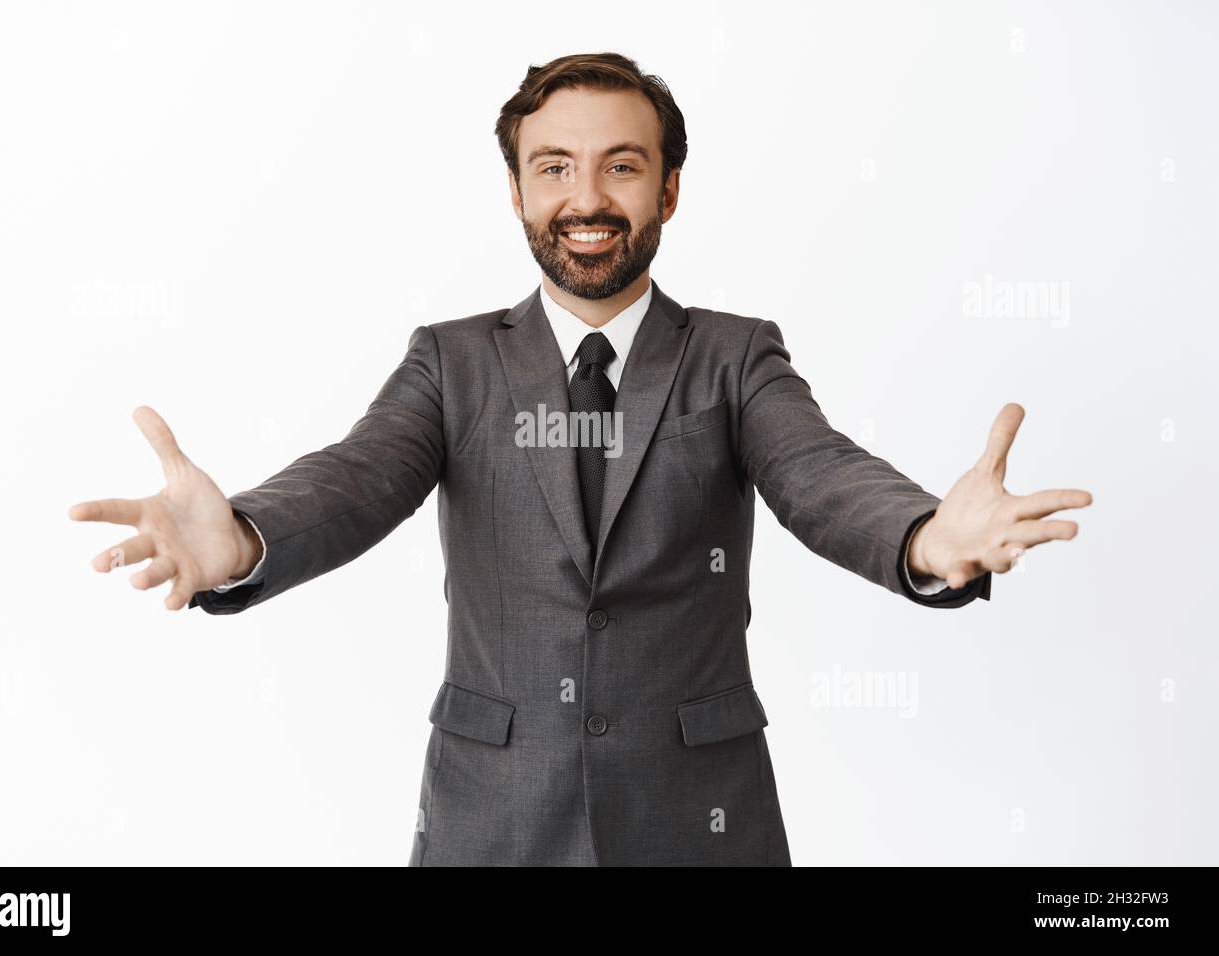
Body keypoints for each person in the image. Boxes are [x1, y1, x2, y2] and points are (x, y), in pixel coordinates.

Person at [70, 52, 1093, 866]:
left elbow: (820, 474)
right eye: (553, 166)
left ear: (669, 189)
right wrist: (246, 535)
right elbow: (356, 475)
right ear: (517, 190)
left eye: (621, 164)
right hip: (493, 817)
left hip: (699, 815)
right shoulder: (452, 362)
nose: (585, 196)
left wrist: (923, 536)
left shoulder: (733, 356)